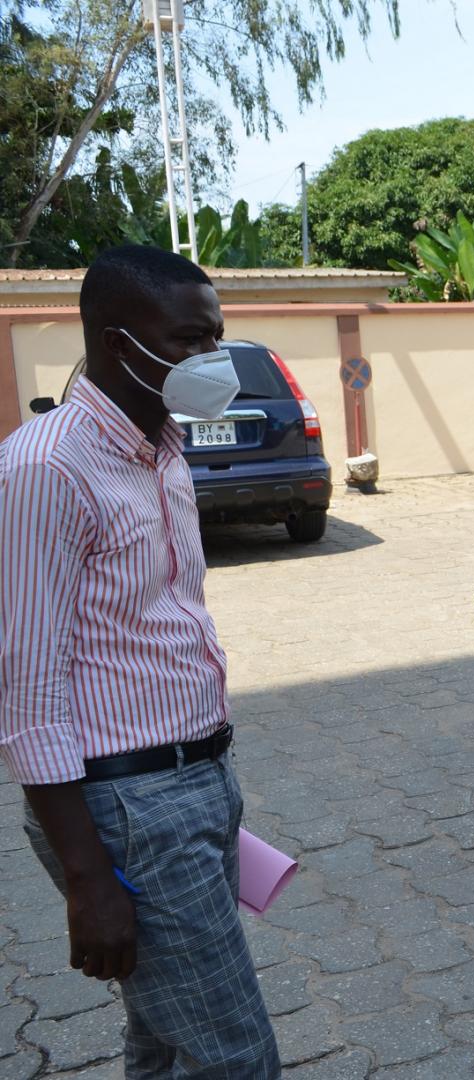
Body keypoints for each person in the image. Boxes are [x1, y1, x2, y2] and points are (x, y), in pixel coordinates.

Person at [0, 246, 280, 1075]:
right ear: (119, 343)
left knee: (163, 1042)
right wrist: (89, 878)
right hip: (127, 805)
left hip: (199, 778)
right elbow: (25, 690)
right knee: (234, 1055)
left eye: (216, 337)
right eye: (190, 340)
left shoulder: (162, 449)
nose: (212, 359)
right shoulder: (46, 468)